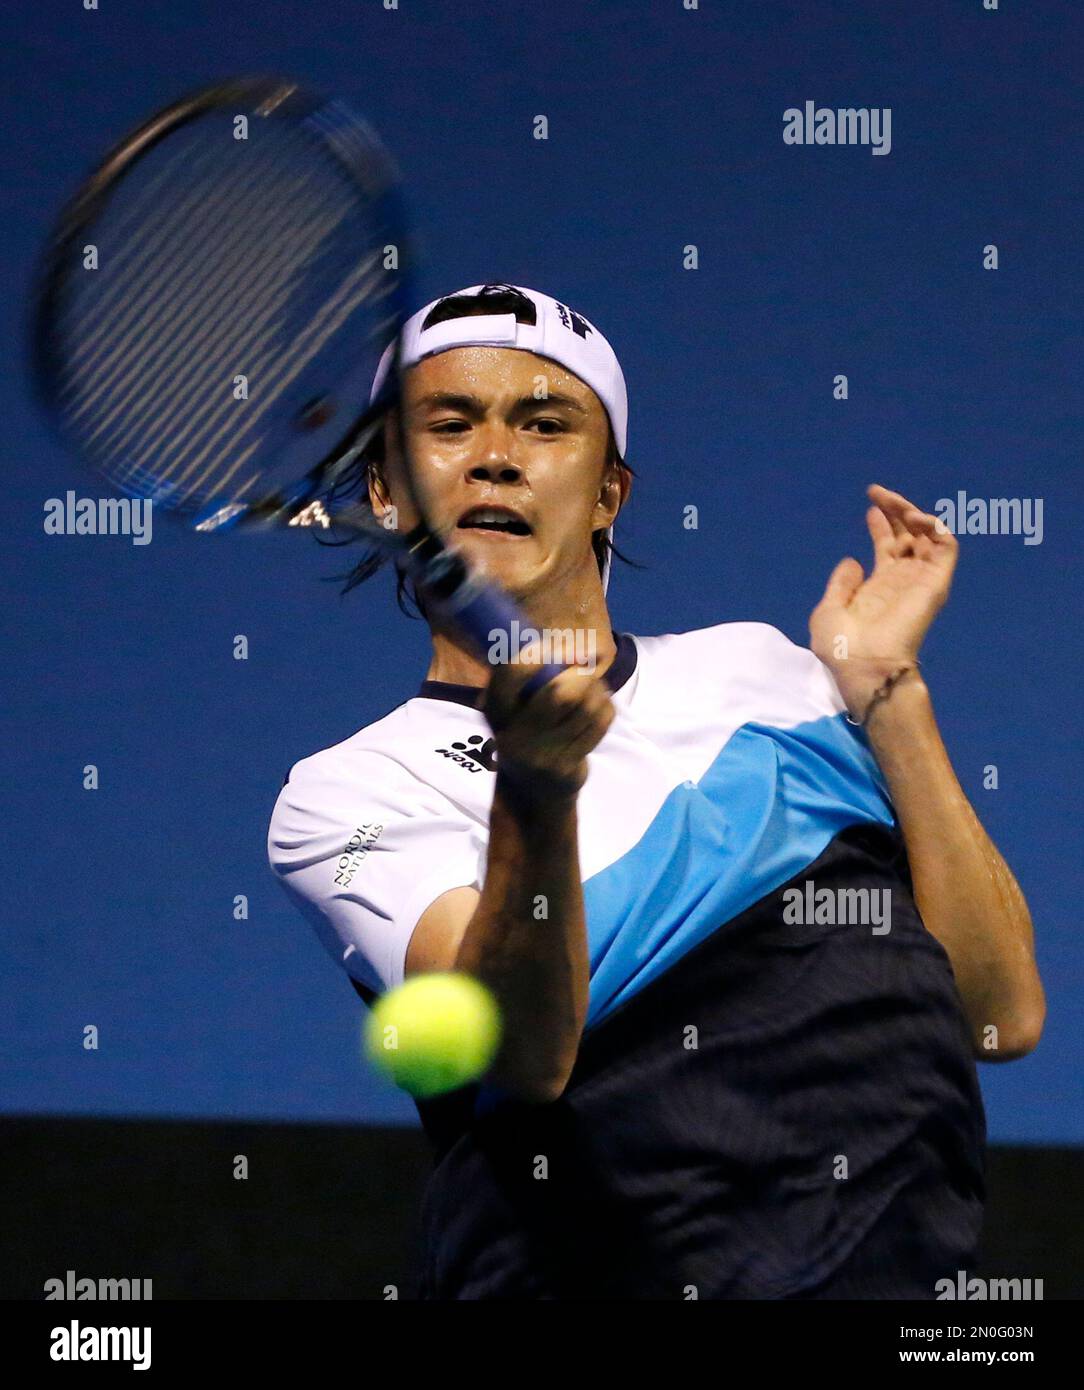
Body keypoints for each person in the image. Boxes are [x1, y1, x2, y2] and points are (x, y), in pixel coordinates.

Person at [267, 283, 1045, 1299]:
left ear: (607, 495)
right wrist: (537, 791)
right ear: (385, 491)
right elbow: (520, 1057)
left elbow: (999, 1015)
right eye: (448, 424)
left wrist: (887, 690)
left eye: (545, 424)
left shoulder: (771, 675)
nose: (496, 453)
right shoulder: (347, 792)